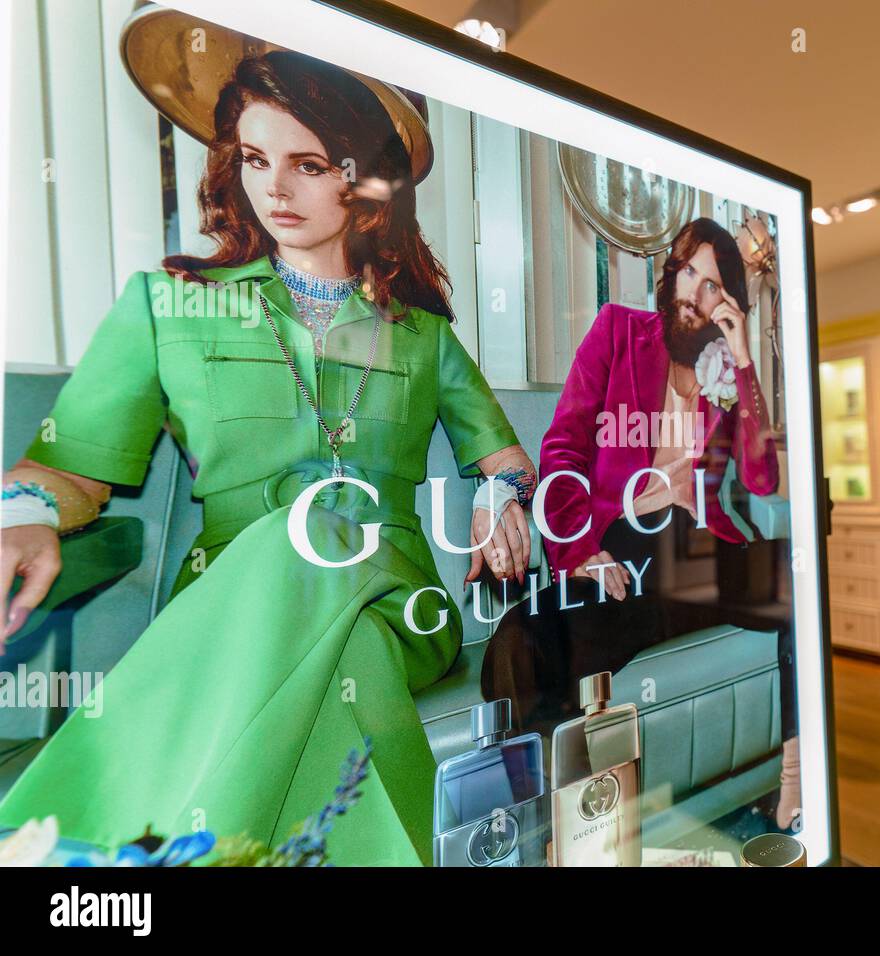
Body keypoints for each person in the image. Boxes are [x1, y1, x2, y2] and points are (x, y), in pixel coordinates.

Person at [0, 28, 534, 866]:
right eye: (254, 158)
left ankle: (85, 854)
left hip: (389, 598)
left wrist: (503, 498)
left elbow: (499, 453)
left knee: (325, 554)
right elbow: (71, 464)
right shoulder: (168, 306)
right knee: (325, 627)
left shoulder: (424, 337)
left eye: (310, 165)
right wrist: (25, 514)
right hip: (228, 610)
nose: (274, 189)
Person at [481, 218, 801, 829]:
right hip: (625, 555)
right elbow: (564, 449)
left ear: (726, 301)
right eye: (687, 273)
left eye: (710, 286)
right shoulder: (617, 332)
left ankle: (791, 782)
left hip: (698, 559)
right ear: (669, 273)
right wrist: (577, 552)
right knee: (518, 644)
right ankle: (560, 836)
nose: (692, 292)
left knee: (802, 567)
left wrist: (742, 359)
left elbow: (759, 479)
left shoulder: (721, 371)